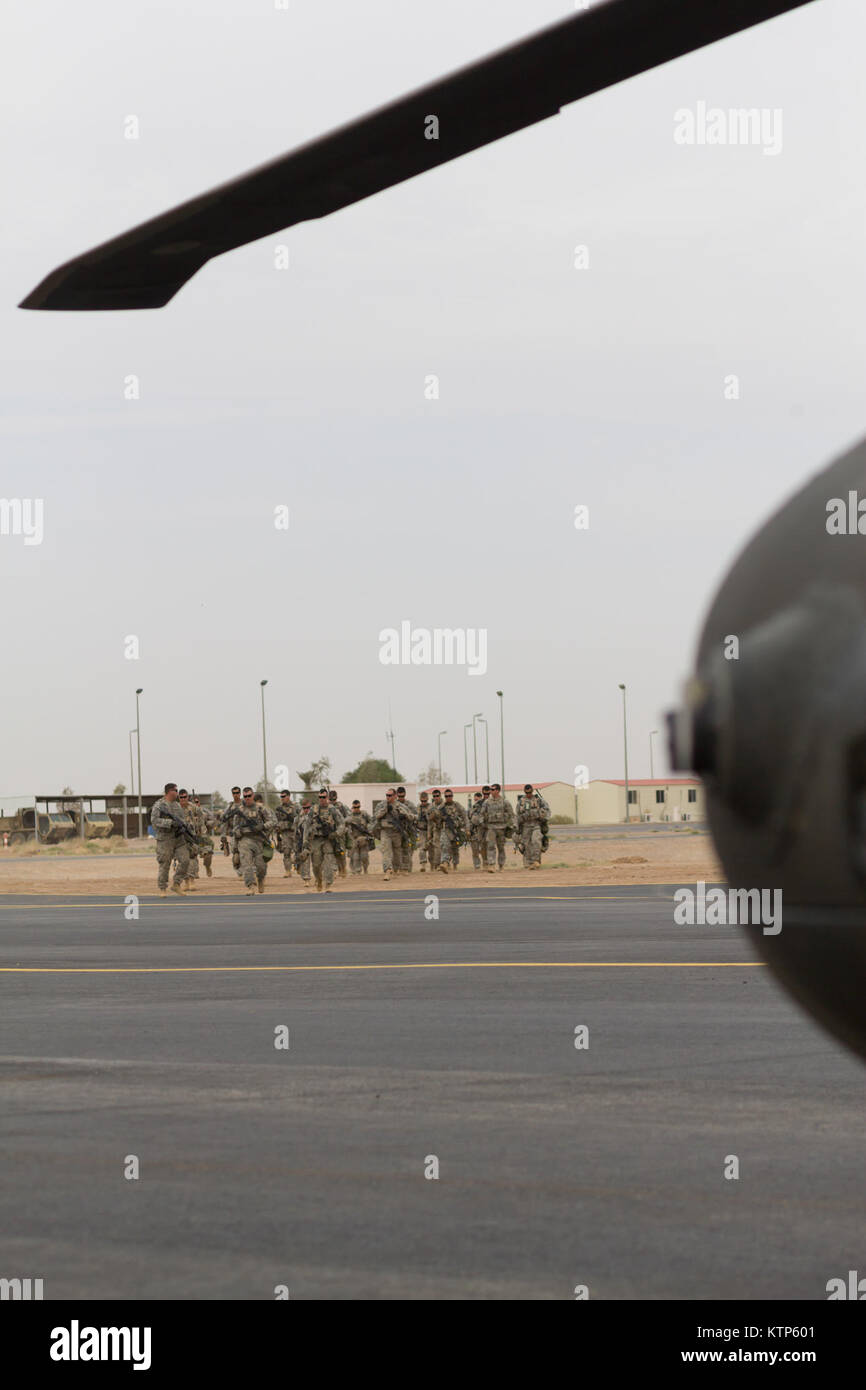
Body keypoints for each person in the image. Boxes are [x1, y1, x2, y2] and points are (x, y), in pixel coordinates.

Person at [150, 782, 191, 896]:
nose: (177, 793)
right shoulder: (159, 805)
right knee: (165, 863)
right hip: (165, 839)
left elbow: (182, 819)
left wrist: (183, 827)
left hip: (178, 838)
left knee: (185, 860)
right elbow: (154, 822)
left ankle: (176, 884)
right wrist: (170, 823)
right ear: (169, 791)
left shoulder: (177, 805)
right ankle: (163, 888)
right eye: (176, 791)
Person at [234, 785, 275, 895]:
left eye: (249, 795)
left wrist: (262, 826)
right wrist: (238, 834)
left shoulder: (261, 809)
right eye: (245, 796)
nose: (247, 798)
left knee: (261, 866)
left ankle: (260, 880)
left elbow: (272, 821)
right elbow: (235, 828)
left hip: (259, 840)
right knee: (246, 864)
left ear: (253, 795)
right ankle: (250, 886)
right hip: (245, 840)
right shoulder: (240, 811)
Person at [304, 790, 345, 892]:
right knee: (316, 865)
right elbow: (307, 825)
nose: (322, 799)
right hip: (316, 840)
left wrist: (336, 833)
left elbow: (341, 823)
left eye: (324, 797)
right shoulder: (313, 810)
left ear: (327, 797)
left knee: (328, 863)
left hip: (328, 840)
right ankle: (319, 880)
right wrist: (305, 839)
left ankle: (328, 884)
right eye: (320, 797)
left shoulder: (332, 809)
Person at [374, 788, 412, 881]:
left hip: (397, 832)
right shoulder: (382, 805)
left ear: (395, 796)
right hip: (385, 831)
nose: (388, 797)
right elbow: (376, 816)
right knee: (386, 851)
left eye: (390, 795)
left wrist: (404, 815)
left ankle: (396, 870)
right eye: (387, 795)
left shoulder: (400, 806)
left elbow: (411, 816)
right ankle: (388, 870)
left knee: (397, 853)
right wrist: (385, 810)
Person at [480, 782, 515, 872]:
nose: (491, 791)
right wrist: (483, 824)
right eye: (490, 789)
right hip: (491, 828)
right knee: (490, 846)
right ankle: (491, 865)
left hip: (502, 828)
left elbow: (511, 814)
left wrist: (511, 825)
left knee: (501, 847)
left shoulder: (504, 802)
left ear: (498, 791)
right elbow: (481, 814)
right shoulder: (487, 802)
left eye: (493, 789)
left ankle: (501, 865)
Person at [516, 784, 551, 869]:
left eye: (530, 792)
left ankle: (536, 861)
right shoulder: (521, 802)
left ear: (532, 791)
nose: (528, 794)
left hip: (536, 825)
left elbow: (547, 812)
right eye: (527, 792)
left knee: (536, 841)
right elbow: (517, 814)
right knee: (526, 844)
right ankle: (528, 863)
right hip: (525, 826)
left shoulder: (539, 800)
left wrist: (539, 814)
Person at [439, 788, 469, 873]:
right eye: (446, 796)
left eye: (450, 796)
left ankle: (455, 865)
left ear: (452, 796)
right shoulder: (441, 807)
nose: (448, 797)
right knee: (444, 845)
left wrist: (467, 829)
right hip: (446, 829)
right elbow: (436, 820)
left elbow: (465, 817)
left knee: (455, 848)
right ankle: (445, 863)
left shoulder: (457, 805)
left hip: (456, 830)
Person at [220, 786, 244, 878]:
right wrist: (223, 835)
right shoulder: (230, 806)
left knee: (246, 853)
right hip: (234, 834)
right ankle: (239, 871)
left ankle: (248, 872)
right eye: (234, 793)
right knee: (236, 855)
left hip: (245, 833)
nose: (236, 795)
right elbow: (224, 821)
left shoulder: (245, 804)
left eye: (237, 793)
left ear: (240, 793)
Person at [346, 799, 374, 874]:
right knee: (355, 857)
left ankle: (365, 869)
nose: (356, 809)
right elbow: (344, 824)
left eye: (358, 807)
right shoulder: (349, 817)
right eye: (355, 807)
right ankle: (357, 872)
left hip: (364, 839)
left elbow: (372, 822)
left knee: (364, 856)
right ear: (352, 807)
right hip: (354, 839)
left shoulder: (364, 814)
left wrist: (369, 830)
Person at [328, 790, 351, 878]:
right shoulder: (326, 807)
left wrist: (342, 822)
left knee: (341, 852)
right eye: (330, 799)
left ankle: (343, 868)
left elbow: (349, 816)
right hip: (330, 833)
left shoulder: (342, 806)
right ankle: (334, 870)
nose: (332, 801)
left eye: (333, 799)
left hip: (340, 833)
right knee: (331, 852)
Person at [275, 790, 298, 877]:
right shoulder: (279, 808)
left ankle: (297, 865)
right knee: (286, 852)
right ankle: (288, 871)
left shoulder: (295, 806)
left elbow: (301, 817)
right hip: (285, 833)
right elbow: (276, 820)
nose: (282, 798)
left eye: (284, 796)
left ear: (288, 796)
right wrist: (277, 830)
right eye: (281, 796)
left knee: (298, 851)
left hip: (295, 832)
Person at [395, 787, 418, 872]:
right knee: (398, 851)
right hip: (398, 831)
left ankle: (408, 870)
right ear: (397, 795)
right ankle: (400, 869)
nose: (401, 798)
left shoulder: (410, 805)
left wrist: (407, 816)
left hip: (409, 830)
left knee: (408, 852)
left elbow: (416, 816)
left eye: (402, 796)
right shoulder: (394, 805)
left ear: (405, 794)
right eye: (399, 796)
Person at [194, 796, 215, 878]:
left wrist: (209, 823)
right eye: (193, 802)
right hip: (192, 838)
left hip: (203, 838)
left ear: (199, 803)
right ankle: (194, 872)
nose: (195, 804)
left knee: (208, 853)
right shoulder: (187, 812)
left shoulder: (205, 812)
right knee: (192, 855)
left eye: (196, 802)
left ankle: (207, 866)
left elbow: (213, 821)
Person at [295, 800, 313, 887]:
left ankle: (318, 877)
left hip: (315, 841)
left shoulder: (315, 815)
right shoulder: (299, 818)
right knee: (305, 860)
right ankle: (306, 879)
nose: (306, 810)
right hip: (304, 841)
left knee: (317, 861)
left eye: (308, 808)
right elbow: (295, 831)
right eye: (304, 808)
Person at [426, 788, 444, 871]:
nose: (436, 797)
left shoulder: (445, 804)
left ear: (440, 796)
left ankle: (445, 862)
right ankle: (437, 864)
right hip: (436, 829)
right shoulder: (431, 807)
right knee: (436, 846)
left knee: (445, 846)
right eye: (434, 796)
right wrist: (429, 833)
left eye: (437, 796)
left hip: (445, 828)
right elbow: (429, 821)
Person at [468, 790, 486, 869]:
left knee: (483, 849)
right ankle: (477, 865)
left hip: (482, 831)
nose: (476, 800)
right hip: (474, 832)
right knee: (475, 850)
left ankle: (486, 863)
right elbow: (469, 819)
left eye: (477, 799)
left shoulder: (484, 807)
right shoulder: (472, 808)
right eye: (475, 799)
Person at [415, 791, 431, 872]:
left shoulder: (431, 807)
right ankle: (423, 865)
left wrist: (427, 814)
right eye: (422, 801)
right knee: (422, 849)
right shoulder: (418, 807)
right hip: (421, 831)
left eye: (425, 801)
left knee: (432, 849)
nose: (423, 803)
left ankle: (433, 866)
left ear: (427, 799)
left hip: (431, 831)